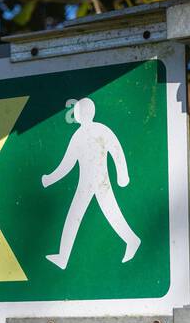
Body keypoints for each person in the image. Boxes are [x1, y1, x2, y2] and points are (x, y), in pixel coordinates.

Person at [41, 98, 141, 268]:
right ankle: (63, 257)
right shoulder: (82, 135)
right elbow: (67, 164)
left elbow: (116, 150)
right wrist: (49, 179)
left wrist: (123, 175)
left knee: (106, 214)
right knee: (76, 216)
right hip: (87, 184)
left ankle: (132, 240)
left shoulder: (94, 132)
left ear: (80, 114)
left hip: (100, 182)